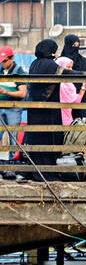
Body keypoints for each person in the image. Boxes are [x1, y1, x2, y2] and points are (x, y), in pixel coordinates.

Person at [23, 40, 62, 181]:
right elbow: (66, 73)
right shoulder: (50, 64)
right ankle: (48, 173)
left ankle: (35, 171)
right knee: (48, 139)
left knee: (36, 140)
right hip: (47, 111)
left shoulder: (34, 64)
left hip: (34, 111)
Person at [0, 47, 26, 177]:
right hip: (1, 106)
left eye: (5, 61)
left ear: (11, 59)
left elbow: (22, 93)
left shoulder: (19, 71)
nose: (2, 63)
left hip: (13, 107)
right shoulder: (0, 70)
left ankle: (11, 165)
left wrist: (6, 92)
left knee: (13, 136)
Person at [61, 34, 86, 119]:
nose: (75, 48)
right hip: (66, 100)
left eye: (77, 45)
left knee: (84, 126)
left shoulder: (84, 62)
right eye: (73, 45)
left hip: (84, 99)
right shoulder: (61, 62)